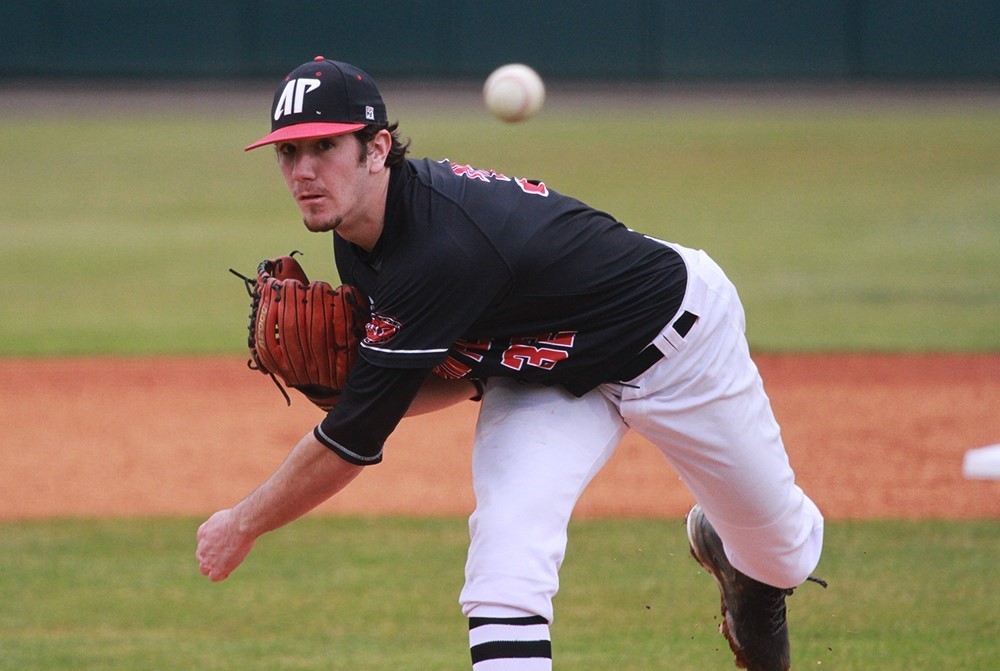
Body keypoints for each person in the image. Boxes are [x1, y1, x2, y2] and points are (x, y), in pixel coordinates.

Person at [196, 56, 825, 671]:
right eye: (288, 152)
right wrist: (362, 393)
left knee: (782, 555)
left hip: (680, 345)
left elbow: (354, 440)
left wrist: (242, 523)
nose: (304, 171)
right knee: (505, 558)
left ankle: (736, 555)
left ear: (377, 148)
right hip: (544, 376)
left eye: (324, 146)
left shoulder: (439, 247)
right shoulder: (357, 236)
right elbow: (464, 371)